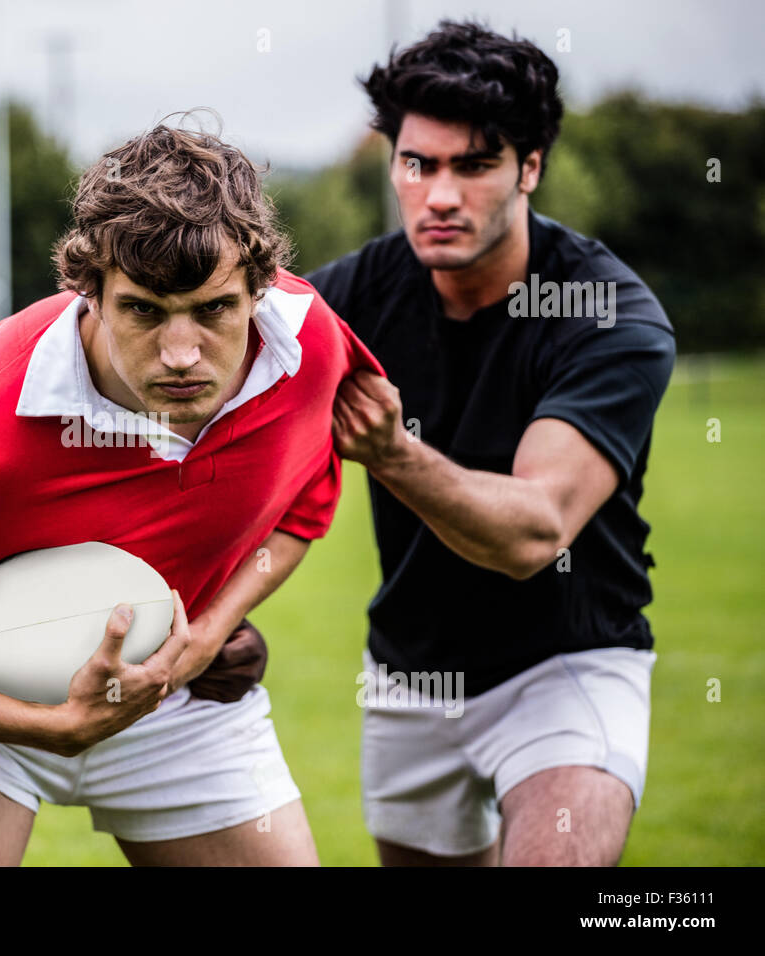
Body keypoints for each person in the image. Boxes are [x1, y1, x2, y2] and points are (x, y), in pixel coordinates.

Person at [0, 119, 382, 866]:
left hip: (175, 701)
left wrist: (206, 636)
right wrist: (50, 725)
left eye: (214, 309)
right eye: (143, 309)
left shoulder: (308, 348)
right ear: (89, 294)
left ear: (258, 289)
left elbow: (307, 499)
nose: (182, 354)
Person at [304, 20, 676, 866]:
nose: (439, 195)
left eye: (474, 166)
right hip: (409, 676)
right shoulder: (354, 293)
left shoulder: (605, 312)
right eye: (417, 163)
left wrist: (393, 453)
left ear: (529, 167)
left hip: (566, 664)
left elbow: (535, 532)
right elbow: (217, 428)